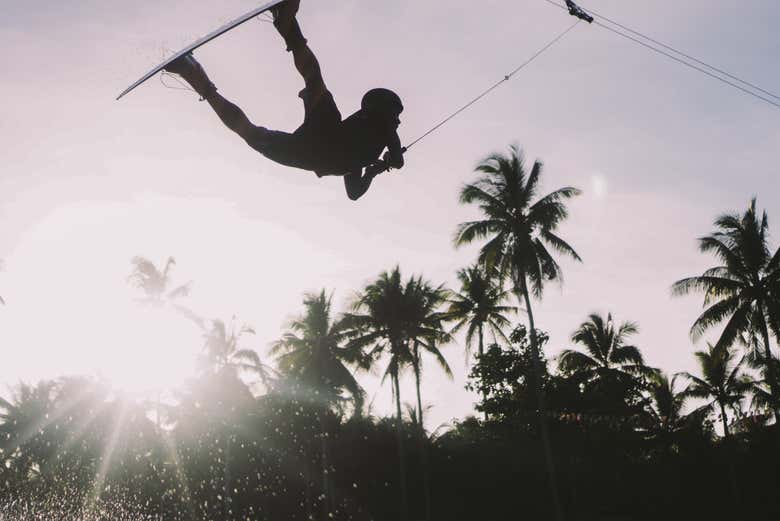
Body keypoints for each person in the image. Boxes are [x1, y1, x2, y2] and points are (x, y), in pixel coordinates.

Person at [164, 0, 405, 201]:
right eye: (396, 115)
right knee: (255, 133)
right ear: (384, 110)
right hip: (318, 150)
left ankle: (194, 72)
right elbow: (397, 160)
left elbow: (354, 192)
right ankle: (193, 73)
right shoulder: (382, 128)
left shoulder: (365, 150)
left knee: (308, 84)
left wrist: (372, 171)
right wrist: (384, 164)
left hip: (317, 148)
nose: (398, 121)